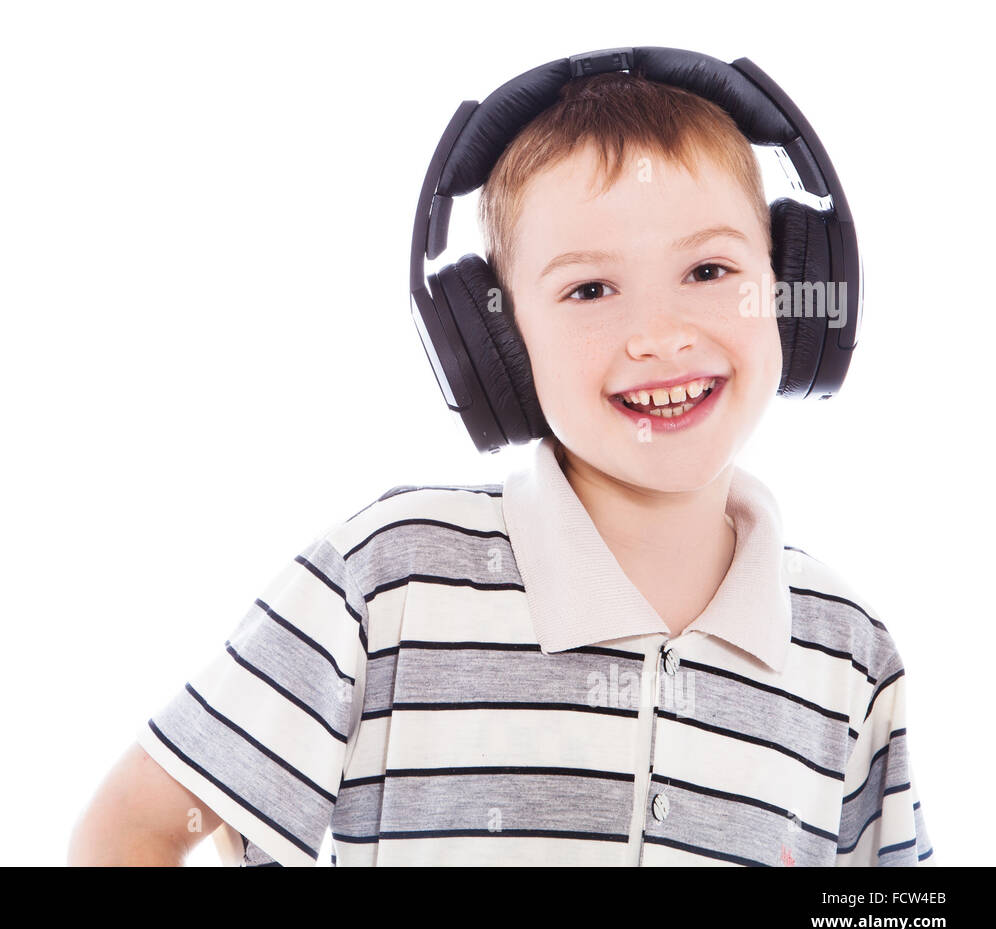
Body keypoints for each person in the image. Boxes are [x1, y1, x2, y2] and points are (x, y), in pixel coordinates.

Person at [67, 65, 933, 867]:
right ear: (495, 348)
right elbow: (136, 828)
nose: (661, 334)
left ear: (791, 292)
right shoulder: (389, 579)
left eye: (709, 270)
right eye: (590, 290)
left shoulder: (848, 651)